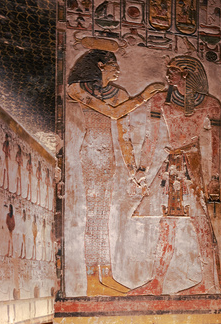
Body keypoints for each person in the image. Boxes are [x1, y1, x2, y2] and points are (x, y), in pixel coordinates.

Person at [65, 47, 165, 296]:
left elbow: (124, 136)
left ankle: (106, 275)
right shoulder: (77, 88)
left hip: (107, 155)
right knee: (93, 217)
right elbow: (111, 113)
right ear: (100, 66)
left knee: (103, 218)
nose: (118, 69)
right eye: (113, 64)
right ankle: (92, 280)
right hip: (90, 153)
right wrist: (143, 96)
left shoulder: (119, 94)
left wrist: (135, 170)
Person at [130, 55, 221, 296]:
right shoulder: (161, 100)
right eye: (168, 70)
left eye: (173, 70)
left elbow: (216, 144)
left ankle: (209, 283)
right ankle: (157, 282)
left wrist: (215, 178)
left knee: (201, 223)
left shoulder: (210, 104)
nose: (168, 74)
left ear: (187, 75)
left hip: (192, 166)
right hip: (171, 167)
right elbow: (151, 137)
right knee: (166, 223)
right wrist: (142, 168)